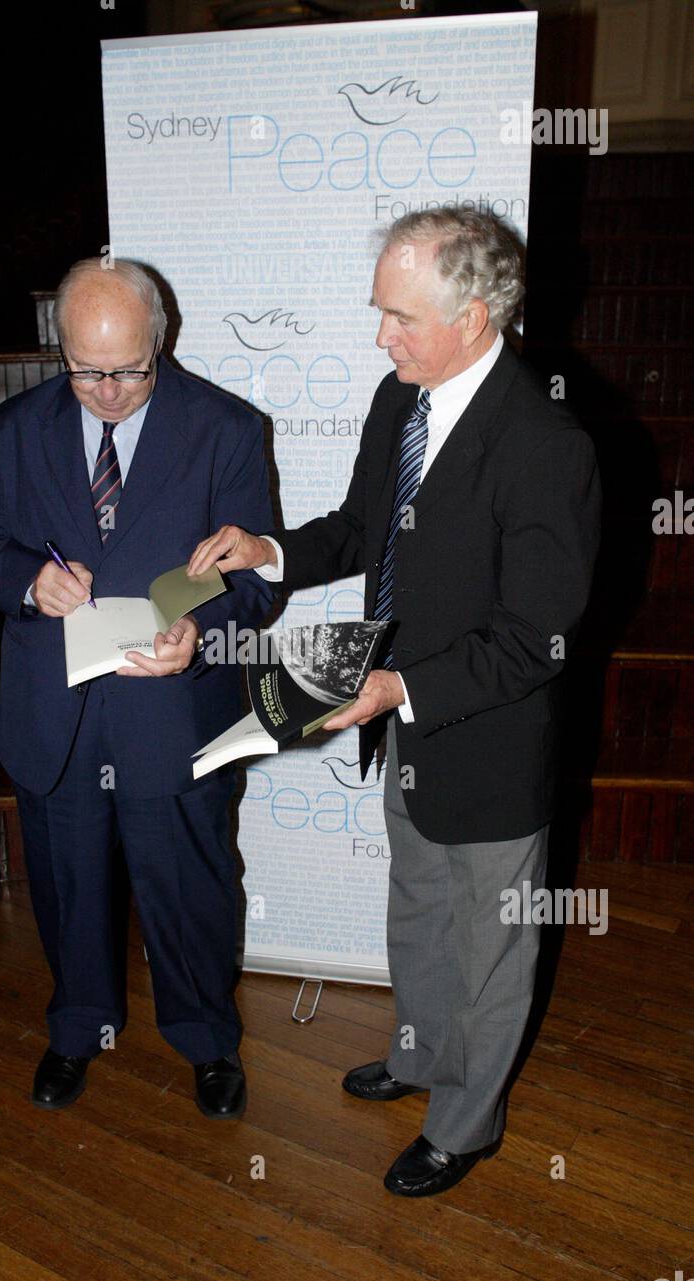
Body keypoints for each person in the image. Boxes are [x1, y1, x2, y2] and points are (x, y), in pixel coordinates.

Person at [188, 209, 601, 1195]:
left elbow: (534, 639)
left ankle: (464, 1125)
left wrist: (397, 687)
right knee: (415, 910)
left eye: (399, 316)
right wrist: (270, 550)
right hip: (406, 730)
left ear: (474, 312)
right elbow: (359, 528)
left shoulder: (544, 442)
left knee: (488, 950)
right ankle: (418, 1056)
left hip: (484, 747)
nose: (381, 337)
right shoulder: (397, 399)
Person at [0, 258, 273, 1117]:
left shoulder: (227, 429)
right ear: (61, 350)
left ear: (157, 344)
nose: (106, 391)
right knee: (66, 891)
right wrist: (27, 580)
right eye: (85, 370)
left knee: (190, 891)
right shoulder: (15, 427)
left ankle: (207, 1041)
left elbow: (259, 575)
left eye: (127, 370)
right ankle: (76, 1027)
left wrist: (199, 631)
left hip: (172, 714)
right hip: (55, 716)